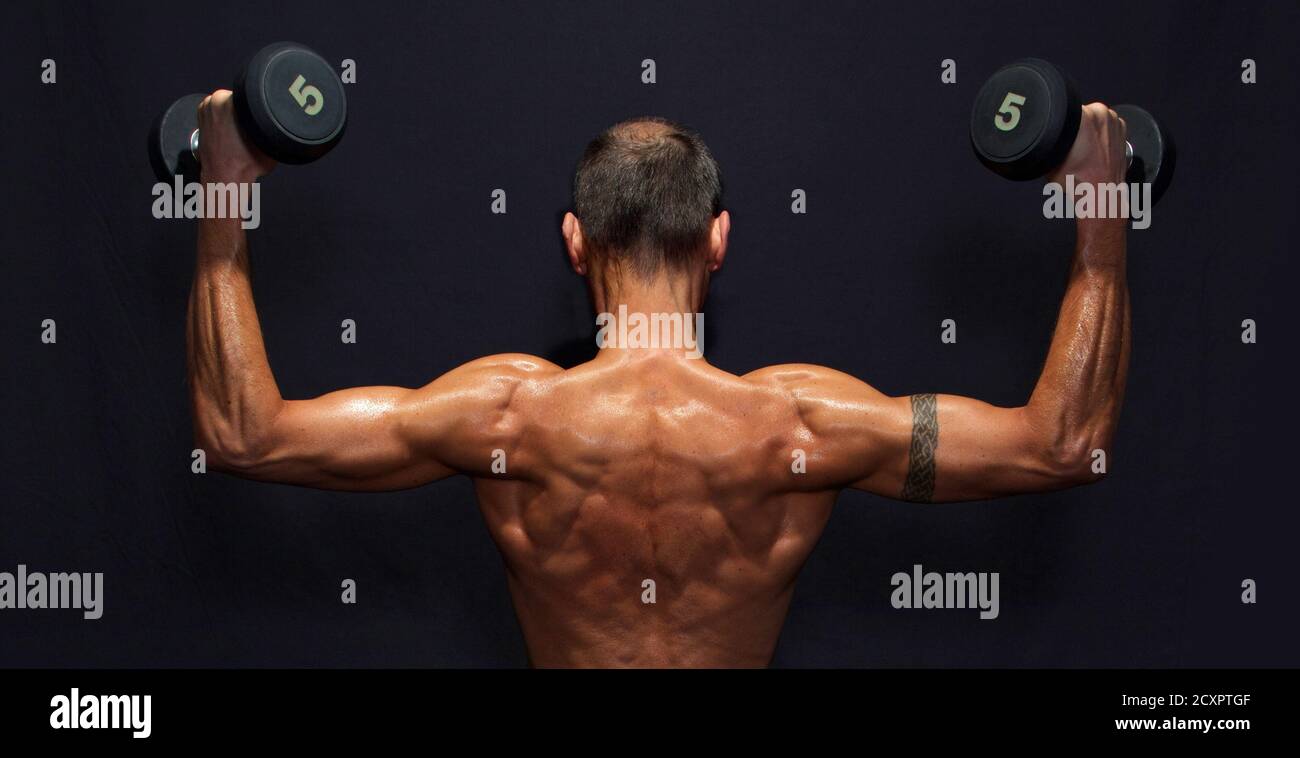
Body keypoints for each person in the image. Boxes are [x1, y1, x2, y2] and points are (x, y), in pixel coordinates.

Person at [187, 92, 1130, 666]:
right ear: (719, 241)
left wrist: (225, 186)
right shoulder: (801, 424)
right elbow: (1062, 445)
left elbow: (242, 435)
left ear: (572, 241)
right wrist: (1101, 210)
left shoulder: (504, 415)